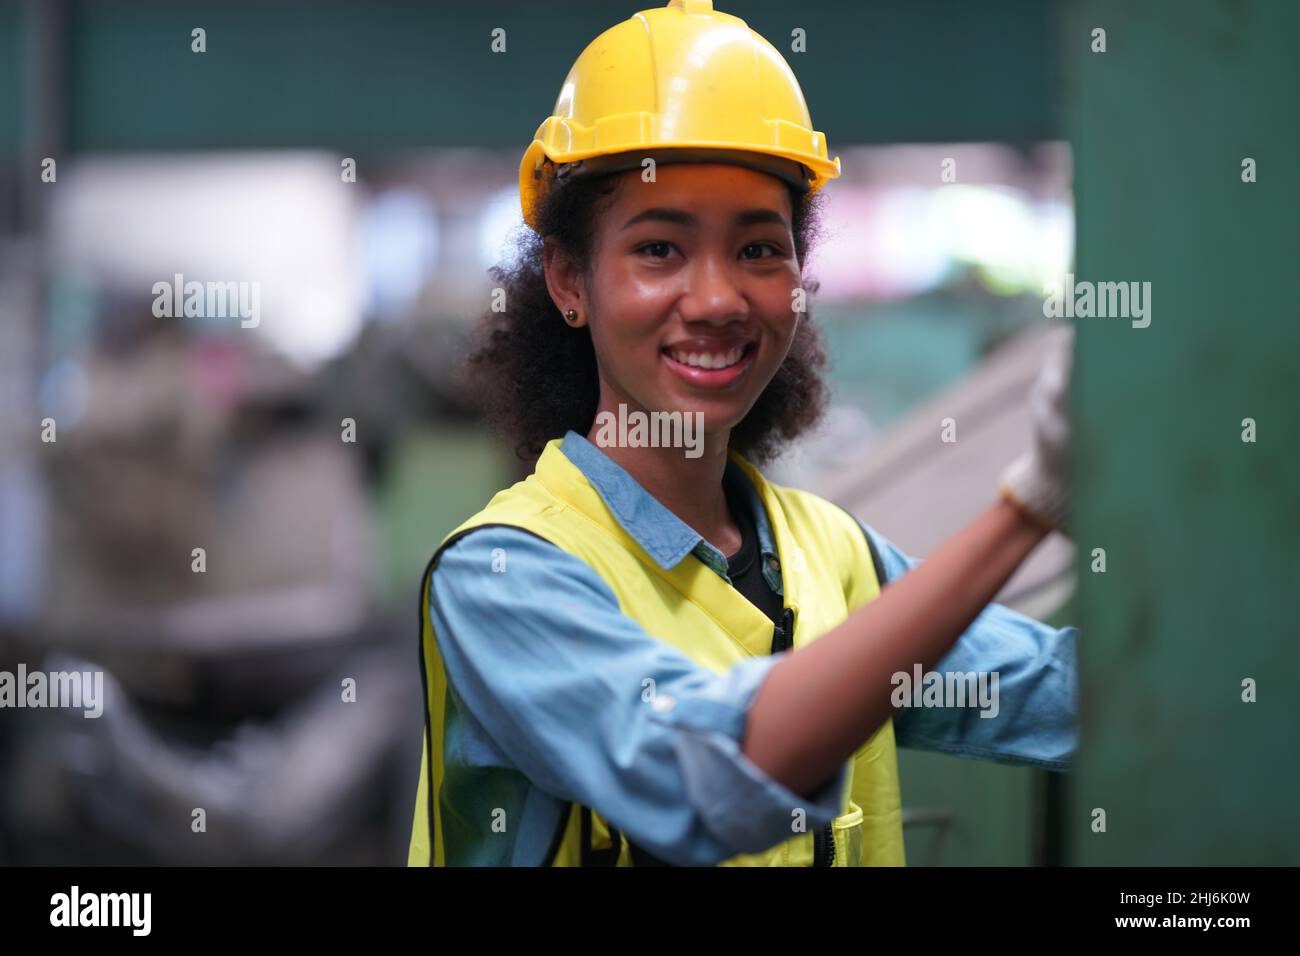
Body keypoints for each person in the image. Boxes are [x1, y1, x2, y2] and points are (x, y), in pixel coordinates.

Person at [408, 0, 1078, 867]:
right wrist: (1027, 509)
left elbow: (1068, 694)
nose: (720, 299)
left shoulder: (828, 553)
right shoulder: (503, 577)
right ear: (570, 281)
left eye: (761, 250)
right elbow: (704, 784)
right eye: (659, 250)